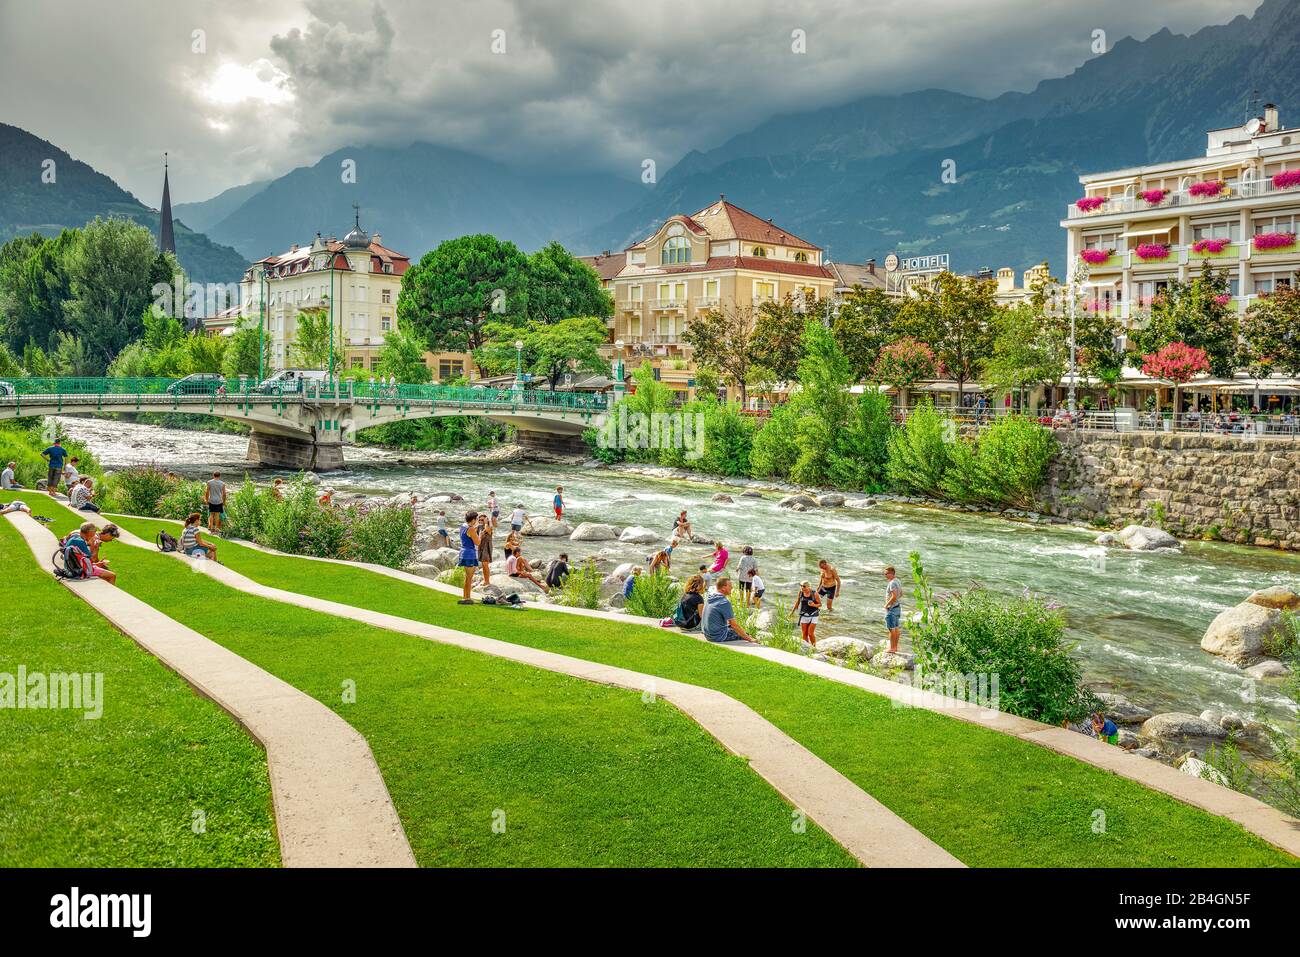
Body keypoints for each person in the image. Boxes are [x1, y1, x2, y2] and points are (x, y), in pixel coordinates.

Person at [701, 577, 755, 643]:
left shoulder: (710, 597)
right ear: (723, 588)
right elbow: (734, 625)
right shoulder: (723, 602)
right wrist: (750, 639)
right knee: (747, 634)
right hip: (718, 636)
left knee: (737, 630)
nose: (732, 588)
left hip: (707, 634)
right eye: (730, 586)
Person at [457, 511, 482, 604]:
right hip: (470, 554)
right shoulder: (471, 529)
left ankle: (466, 597)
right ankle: (467, 598)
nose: (477, 521)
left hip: (463, 552)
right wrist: (481, 534)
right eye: (476, 519)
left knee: (467, 577)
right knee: (469, 577)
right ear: (473, 520)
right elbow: (478, 542)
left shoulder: (463, 526)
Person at [883, 565, 903, 653]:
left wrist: (887, 605)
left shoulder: (892, 583)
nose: (885, 575)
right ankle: (895, 647)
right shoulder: (898, 581)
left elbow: (894, 596)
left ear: (891, 573)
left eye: (886, 573)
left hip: (892, 609)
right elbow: (901, 593)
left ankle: (892, 648)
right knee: (896, 628)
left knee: (891, 629)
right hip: (897, 607)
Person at [795, 581, 821, 646]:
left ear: (808, 586)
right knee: (804, 634)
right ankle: (806, 648)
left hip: (814, 615)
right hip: (804, 615)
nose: (802, 587)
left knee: (810, 633)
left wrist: (813, 605)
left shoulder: (814, 593)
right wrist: (792, 613)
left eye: (804, 586)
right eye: (801, 585)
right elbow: (797, 602)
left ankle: (814, 647)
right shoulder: (801, 593)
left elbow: (820, 604)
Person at [478, 516, 494, 585]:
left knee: (485, 564)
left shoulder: (489, 527)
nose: (481, 521)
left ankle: (487, 581)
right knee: (483, 565)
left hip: (487, 547)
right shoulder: (479, 527)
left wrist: (486, 522)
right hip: (481, 547)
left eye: (482, 519)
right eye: (480, 520)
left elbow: (487, 530)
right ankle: (485, 580)